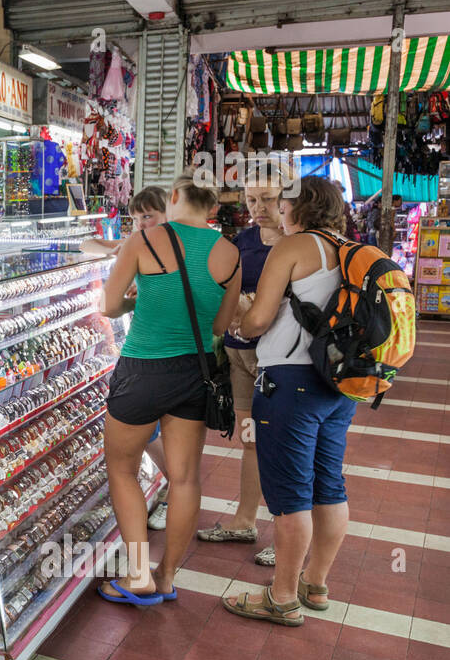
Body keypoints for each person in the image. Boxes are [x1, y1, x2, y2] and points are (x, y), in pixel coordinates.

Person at [98, 174, 242, 605]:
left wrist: (139, 300)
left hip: (142, 369)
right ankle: (165, 576)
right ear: (213, 209)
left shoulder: (144, 240)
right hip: (195, 374)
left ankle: (137, 575)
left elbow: (108, 305)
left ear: (174, 197)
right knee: (184, 479)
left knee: (122, 469)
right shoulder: (229, 253)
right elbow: (220, 327)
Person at [222, 177, 354, 626]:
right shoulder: (349, 250)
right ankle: (314, 584)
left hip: (290, 384)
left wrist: (239, 327)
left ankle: (281, 597)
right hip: (338, 386)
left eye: (282, 204)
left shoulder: (292, 248)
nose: (276, 211)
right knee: (328, 486)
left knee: (290, 497)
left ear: (296, 209)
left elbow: (257, 320)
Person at [197, 167, 285, 564]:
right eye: (251, 199)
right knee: (250, 440)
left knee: (284, 444)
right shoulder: (242, 240)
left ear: (287, 196)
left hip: (278, 361)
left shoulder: (298, 242)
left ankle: (288, 537)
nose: (258, 208)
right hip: (238, 357)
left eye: (267, 198)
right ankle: (244, 519)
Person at [82, 188, 173, 529]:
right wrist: (119, 245)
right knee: (153, 430)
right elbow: (86, 246)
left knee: (149, 431)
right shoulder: (139, 244)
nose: (140, 224)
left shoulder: (171, 253)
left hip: (159, 354)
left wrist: (133, 297)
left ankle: (177, 489)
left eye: (148, 216)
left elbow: (111, 305)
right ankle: (173, 488)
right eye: (135, 218)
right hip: (147, 352)